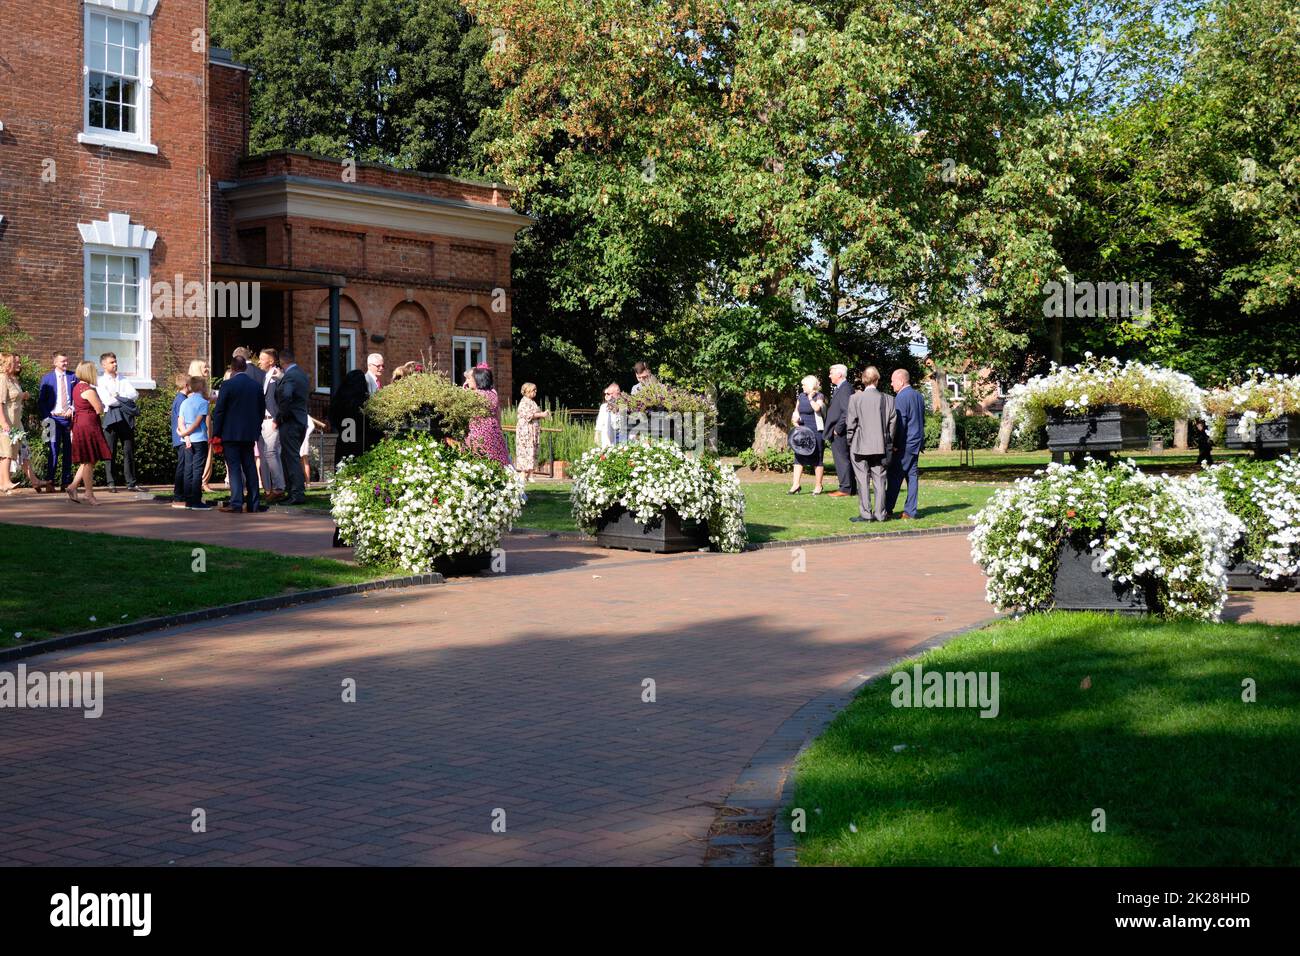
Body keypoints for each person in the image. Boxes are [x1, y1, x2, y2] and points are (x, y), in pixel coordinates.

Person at [211, 355, 266, 514]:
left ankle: (236, 503)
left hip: (230, 433)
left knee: (234, 468)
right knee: (249, 466)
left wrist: (217, 433)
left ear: (233, 368)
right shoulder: (256, 386)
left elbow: (219, 411)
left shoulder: (227, 385)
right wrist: (256, 428)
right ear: (245, 367)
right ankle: (253, 503)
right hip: (249, 434)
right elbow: (261, 410)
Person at [845, 366, 897, 522]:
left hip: (859, 444)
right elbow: (892, 425)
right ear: (877, 379)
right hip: (881, 445)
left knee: (862, 479)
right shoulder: (889, 399)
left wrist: (850, 440)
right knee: (880, 480)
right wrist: (888, 441)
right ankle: (880, 514)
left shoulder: (855, 399)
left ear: (863, 380)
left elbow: (851, 423)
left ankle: (866, 514)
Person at [68, 361, 112, 505]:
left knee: (89, 459)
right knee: (88, 461)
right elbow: (99, 408)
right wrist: (101, 403)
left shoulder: (76, 387)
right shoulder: (88, 390)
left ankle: (73, 486)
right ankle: (89, 493)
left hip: (80, 424)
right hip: (88, 425)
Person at [885, 368, 926, 520]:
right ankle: (910, 511)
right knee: (912, 477)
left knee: (895, 477)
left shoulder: (901, 397)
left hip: (904, 445)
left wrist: (895, 443)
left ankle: (887, 509)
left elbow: (900, 423)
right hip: (916, 443)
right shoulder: (918, 396)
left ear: (901, 381)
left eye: (893, 380)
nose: (891, 384)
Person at [96, 351, 140, 492]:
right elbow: (107, 401)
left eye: (115, 361)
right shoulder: (100, 381)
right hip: (111, 417)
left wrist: (117, 397)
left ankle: (131, 483)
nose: (115, 364)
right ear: (103, 365)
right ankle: (111, 482)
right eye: (112, 362)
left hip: (126, 418)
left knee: (128, 451)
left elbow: (135, 394)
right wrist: (124, 399)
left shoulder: (123, 379)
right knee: (110, 451)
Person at [274, 346, 311, 505]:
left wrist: (281, 416)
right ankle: (292, 491)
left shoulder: (290, 377)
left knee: (291, 457)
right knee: (289, 456)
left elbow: (287, 397)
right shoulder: (301, 374)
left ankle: (296, 493)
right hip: (300, 420)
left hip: (291, 422)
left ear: (281, 362)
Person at [37, 351, 77, 491]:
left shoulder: (73, 376)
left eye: (66, 361)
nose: (65, 363)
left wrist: (72, 409)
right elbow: (41, 401)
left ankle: (66, 482)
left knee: (68, 451)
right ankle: (50, 482)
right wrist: (48, 416)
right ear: (55, 362)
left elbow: (77, 397)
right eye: (62, 361)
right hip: (52, 419)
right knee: (53, 450)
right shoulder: (47, 378)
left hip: (67, 419)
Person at [177, 374, 213, 510]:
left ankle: (188, 500)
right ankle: (196, 500)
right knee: (197, 470)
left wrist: (184, 435)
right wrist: (187, 433)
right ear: (202, 387)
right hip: (199, 439)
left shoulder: (185, 402)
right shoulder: (203, 403)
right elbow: (198, 422)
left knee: (188, 469)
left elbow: (181, 421)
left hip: (187, 440)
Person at [465, 366, 512, 466]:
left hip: (479, 434)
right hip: (494, 433)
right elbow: (498, 414)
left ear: (477, 380)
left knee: (478, 462)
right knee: (497, 463)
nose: (467, 381)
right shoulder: (493, 393)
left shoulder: (475, 395)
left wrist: (464, 390)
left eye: (470, 379)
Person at [788, 374, 827, 494]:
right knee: (798, 457)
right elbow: (796, 410)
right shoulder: (800, 396)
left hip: (816, 432)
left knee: (817, 459)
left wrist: (810, 398)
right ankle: (795, 485)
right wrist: (794, 419)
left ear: (810, 385)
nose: (802, 387)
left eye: (804, 384)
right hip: (802, 431)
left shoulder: (819, 396)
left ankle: (818, 486)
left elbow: (817, 409)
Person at [823, 364, 856, 497]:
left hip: (840, 432)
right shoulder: (841, 388)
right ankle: (850, 488)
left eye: (831, 373)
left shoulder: (845, 388)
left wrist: (838, 429)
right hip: (838, 431)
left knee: (842, 459)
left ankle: (845, 488)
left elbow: (847, 411)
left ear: (840, 374)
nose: (829, 376)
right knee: (843, 459)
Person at [257, 349, 285, 502]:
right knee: (268, 454)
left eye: (262, 359)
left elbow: (282, 398)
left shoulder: (278, 375)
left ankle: (279, 488)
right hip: (264, 420)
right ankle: (273, 488)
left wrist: (277, 419)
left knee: (271, 453)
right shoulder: (265, 376)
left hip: (272, 420)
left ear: (271, 361)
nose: (259, 361)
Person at [188, 359, 217, 493]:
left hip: (206, 417)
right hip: (200, 419)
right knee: (203, 448)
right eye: (205, 367)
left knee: (209, 448)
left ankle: (204, 481)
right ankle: (202, 481)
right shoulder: (193, 384)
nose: (208, 369)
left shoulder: (204, 384)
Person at [514, 382, 549, 481]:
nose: (535, 392)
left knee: (533, 450)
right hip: (526, 431)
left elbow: (535, 414)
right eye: (533, 390)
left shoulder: (532, 402)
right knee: (524, 450)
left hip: (533, 430)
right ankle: (523, 473)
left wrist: (542, 414)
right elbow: (528, 415)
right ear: (528, 391)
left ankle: (530, 473)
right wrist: (541, 414)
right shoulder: (524, 402)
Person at [169, 372, 190, 509]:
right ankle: (179, 494)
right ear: (187, 386)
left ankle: (180, 493)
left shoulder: (178, 398)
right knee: (182, 466)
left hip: (180, 437)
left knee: (182, 465)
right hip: (182, 438)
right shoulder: (182, 400)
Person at [595, 383, 621, 447]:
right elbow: (599, 422)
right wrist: (596, 434)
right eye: (605, 394)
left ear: (617, 394)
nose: (606, 396)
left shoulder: (623, 405)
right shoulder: (603, 407)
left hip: (620, 435)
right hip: (607, 435)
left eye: (608, 394)